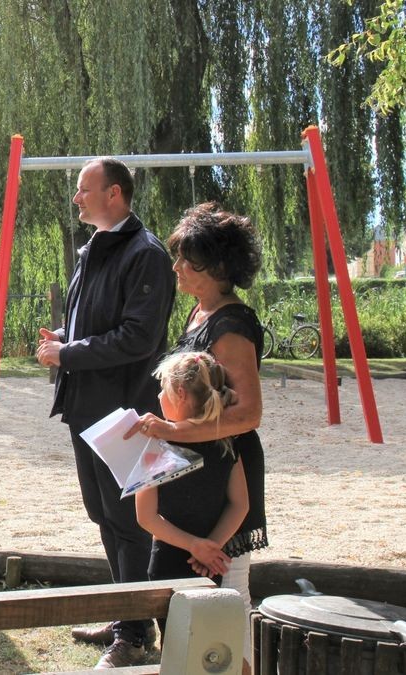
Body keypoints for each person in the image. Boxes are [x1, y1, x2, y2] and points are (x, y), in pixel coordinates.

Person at [35, 157, 175, 668]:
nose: (77, 199)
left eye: (84, 190)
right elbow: (100, 325)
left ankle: (136, 633)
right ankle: (124, 616)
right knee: (104, 515)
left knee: (130, 521)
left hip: (126, 412)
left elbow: (139, 337)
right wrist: (65, 340)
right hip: (87, 408)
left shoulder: (146, 253)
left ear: (114, 194)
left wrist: (69, 353)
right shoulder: (96, 248)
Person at [129, 203, 269, 673]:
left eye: (188, 260)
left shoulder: (229, 323)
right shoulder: (200, 312)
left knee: (230, 593)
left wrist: (176, 431)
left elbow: (248, 412)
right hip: (196, 461)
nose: (176, 268)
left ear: (219, 267)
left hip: (225, 461)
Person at [135, 352, 249, 646]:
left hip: (170, 563)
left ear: (180, 394)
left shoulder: (157, 446)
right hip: (210, 564)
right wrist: (212, 546)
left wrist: (198, 547)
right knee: (204, 649)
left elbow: (146, 517)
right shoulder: (225, 441)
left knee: (176, 650)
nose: (159, 395)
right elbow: (240, 504)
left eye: (163, 389)